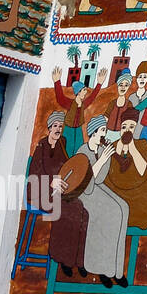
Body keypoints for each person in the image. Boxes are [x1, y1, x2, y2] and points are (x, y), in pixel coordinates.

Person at [58, 114, 129, 287]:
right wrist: (103, 160)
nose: (105, 135)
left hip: (96, 188)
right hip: (83, 193)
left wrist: (107, 159)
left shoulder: (101, 151)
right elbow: (86, 183)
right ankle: (101, 269)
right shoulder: (83, 152)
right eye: (102, 131)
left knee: (124, 207)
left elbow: (99, 179)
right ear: (94, 133)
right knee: (109, 212)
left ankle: (117, 271)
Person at [27, 111, 88, 275]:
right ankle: (62, 259)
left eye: (60, 126)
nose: (58, 129)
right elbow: (34, 175)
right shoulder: (41, 146)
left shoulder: (62, 143)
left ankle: (79, 261)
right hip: (40, 192)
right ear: (49, 128)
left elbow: (66, 168)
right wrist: (51, 182)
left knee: (82, 210)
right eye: (55, 126)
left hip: (58, 192)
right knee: (66, 211)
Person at [102, 107, 147, 229]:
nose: (127, 130)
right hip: (117, 193)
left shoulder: (142, 145)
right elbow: (107, 174)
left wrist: (132, 148)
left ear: (135, 129)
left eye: (131, 127)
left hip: (138, 195)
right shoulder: (112, 146)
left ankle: (137, 218)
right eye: (124, 127)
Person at [50, 66, 105, 155]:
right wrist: (57, 82)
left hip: (78, 129)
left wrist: (99, 84)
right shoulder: (70, 103)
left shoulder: (83, 104)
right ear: (78, 92)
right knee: (66, 149)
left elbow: (92, 98)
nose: (85, 92)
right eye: (84, 90)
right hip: (69, 129)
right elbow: (60, 98)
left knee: (79, 150)